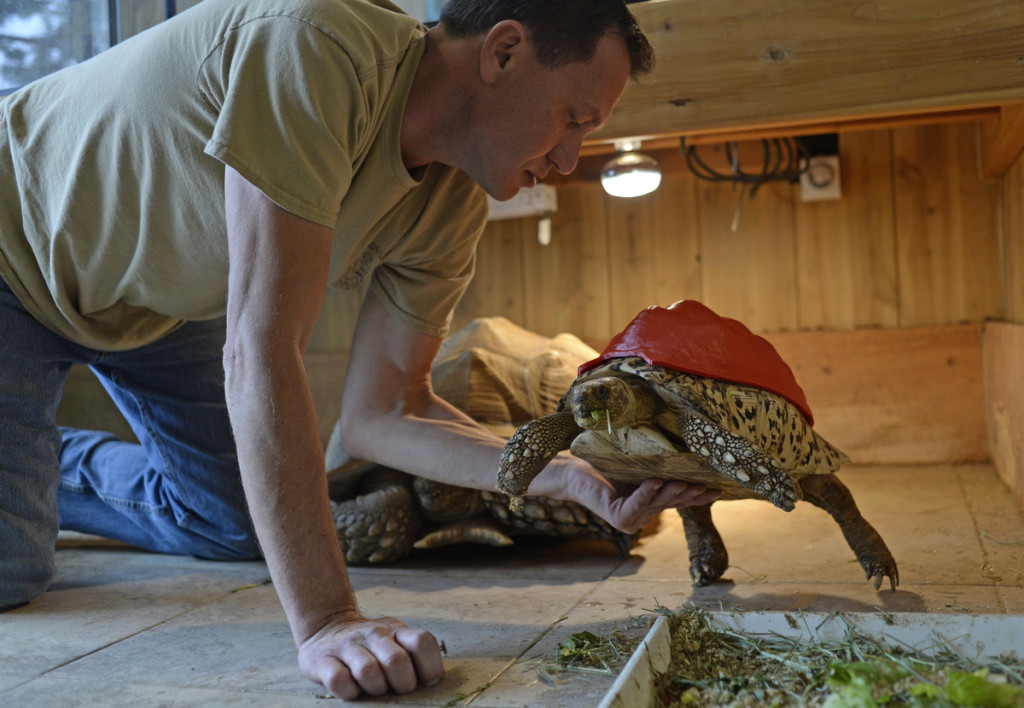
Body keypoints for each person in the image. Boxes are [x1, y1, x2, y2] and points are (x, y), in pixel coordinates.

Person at [0, 0, 720, 699]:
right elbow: (262, 349)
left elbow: (388, 412)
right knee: (12, 571)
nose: (569, 158)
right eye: (574, 119)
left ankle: (36, 462)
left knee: (242, 524)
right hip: (12, 246)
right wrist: (328, 621)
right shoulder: (314, 46)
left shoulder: (452, 198)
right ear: (503, 51)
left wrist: (567, 476)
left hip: (151, 299)